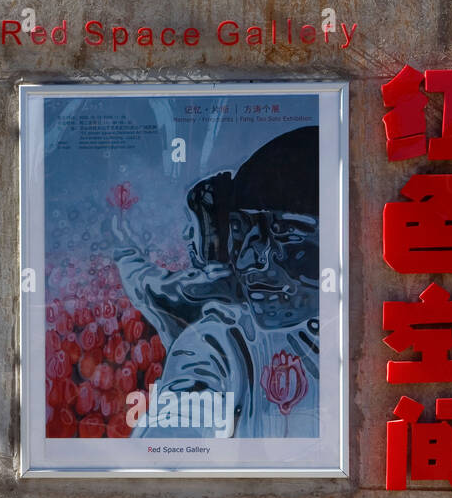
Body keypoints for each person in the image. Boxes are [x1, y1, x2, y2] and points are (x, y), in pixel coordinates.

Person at [109, 125, 321, 439]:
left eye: (286, 235)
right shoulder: (223, 340)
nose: (250, 260)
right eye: (241, 232)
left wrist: (126, 253)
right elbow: (182, 413)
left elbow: (149, 286)